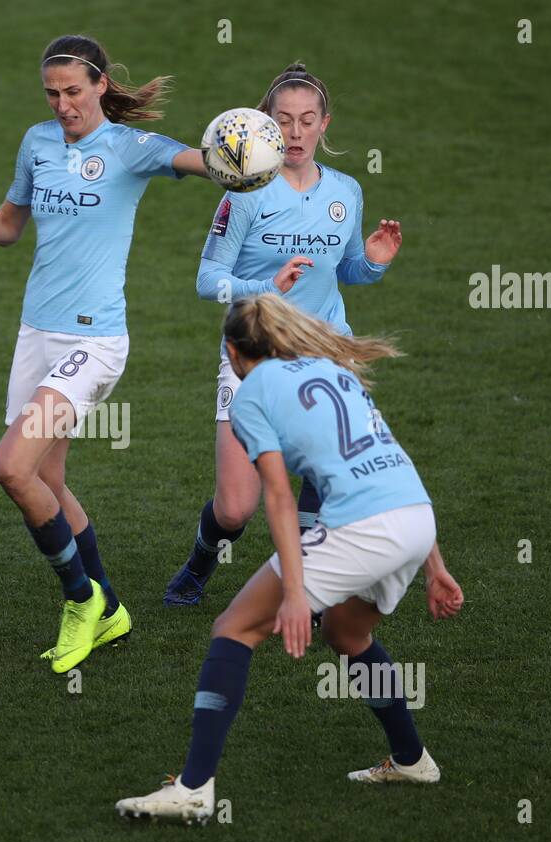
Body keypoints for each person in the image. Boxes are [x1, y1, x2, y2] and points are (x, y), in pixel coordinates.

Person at [117, 294, 463, 823]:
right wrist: (434, 564)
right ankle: (412, 759)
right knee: (348, 635)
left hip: (365, 527)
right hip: (414, 516)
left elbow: (278, 496)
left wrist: (297, 595)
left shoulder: (251, 394)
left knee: (234, 628)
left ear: (233, 351)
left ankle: (192, 788)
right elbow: (391, 457)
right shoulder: (331, 369)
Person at [0, 34, 214, 672]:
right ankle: (110, 607)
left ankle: (79, 599)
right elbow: (9, 226)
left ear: (99, 85)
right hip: (36, 334)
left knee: (11, 467)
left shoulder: (129, 148)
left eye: (72, 91)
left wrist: (247, 156)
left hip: (93, 341)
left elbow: (203, 162)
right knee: (45, 478)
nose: (62, 104)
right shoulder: (37, 143)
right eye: (52, 92)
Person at [164, 62, 403, 607]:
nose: (295, 132)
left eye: (307, 120)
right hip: (253, 353)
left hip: (325, 350)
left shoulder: (346, 190)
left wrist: (373, 261)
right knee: (234, 508)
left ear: (324, 125)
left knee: (325, 475)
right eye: (284, 120)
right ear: (266, 124)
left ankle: (308, 588)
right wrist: (264, 285)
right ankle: (202, 561)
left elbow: (346, 273)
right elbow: (207, 281)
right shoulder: (244, 193)